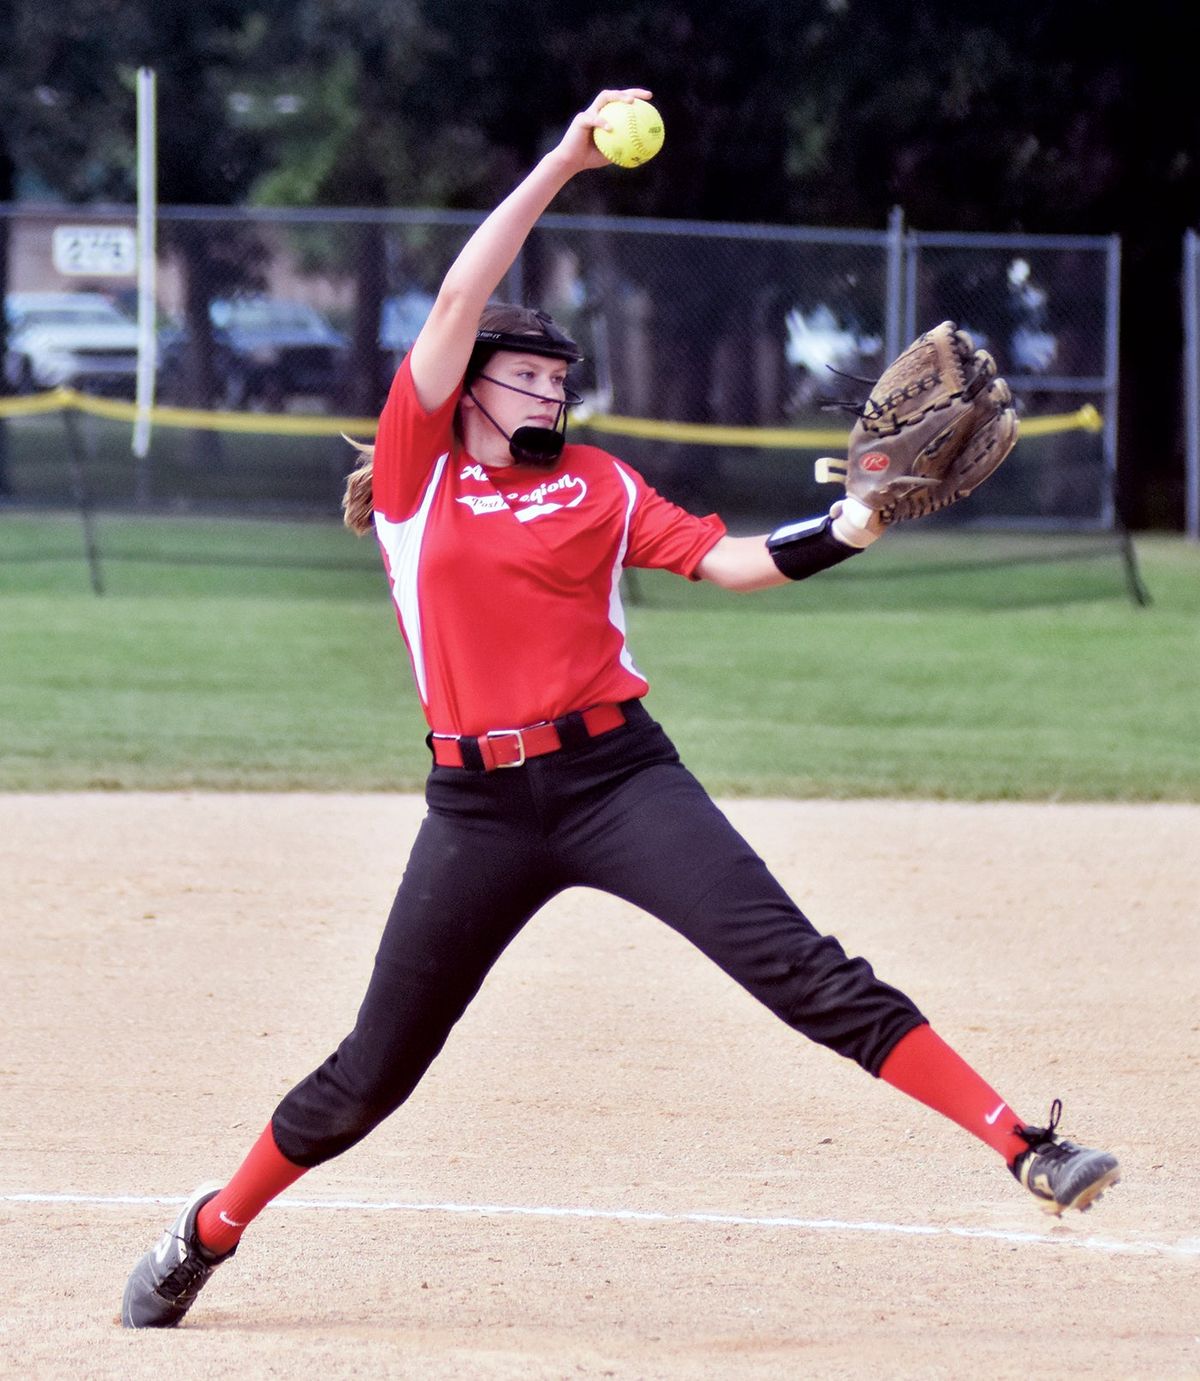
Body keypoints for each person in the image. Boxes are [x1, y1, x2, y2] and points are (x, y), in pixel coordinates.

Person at [121, 88, 1120, 1330]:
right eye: (527, 379)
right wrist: (564, 161)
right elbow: (456, 297)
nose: (550, 397)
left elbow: (728, 561)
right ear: (467, 388)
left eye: (560, 381)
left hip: (618, 780)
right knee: (371, 1075)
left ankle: (1025, 1143)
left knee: (802, 968)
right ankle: (207, 1230)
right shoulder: (419, 478)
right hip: (479, 809)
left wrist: (855, 523)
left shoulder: (598, 483)